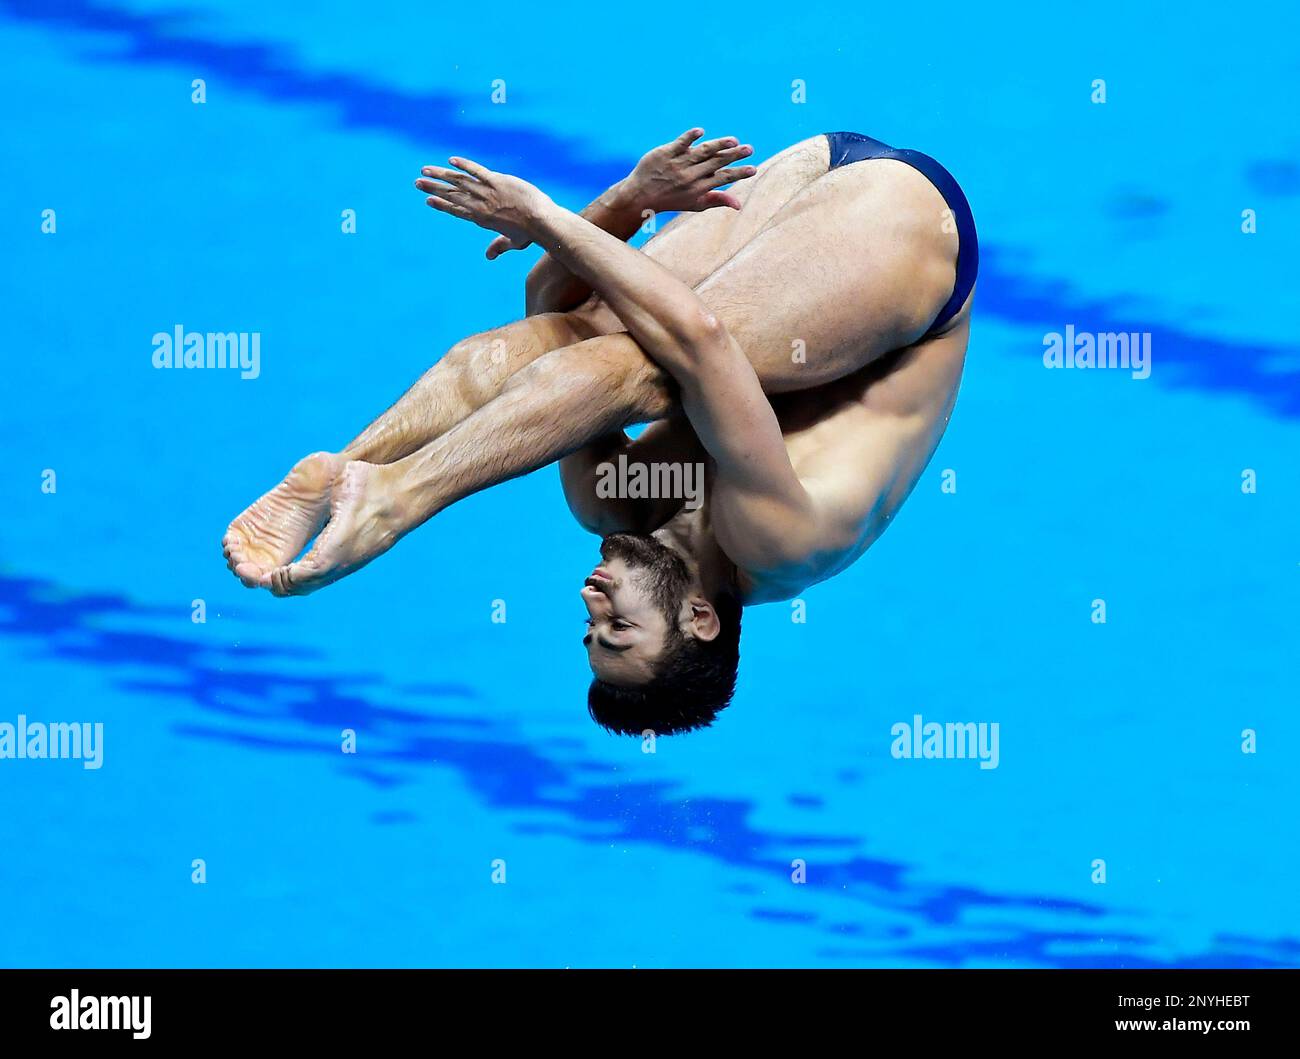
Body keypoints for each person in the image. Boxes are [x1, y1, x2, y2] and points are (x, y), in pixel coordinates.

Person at [223, 129, 978, 734]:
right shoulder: (781, 539)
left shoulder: (616, 503)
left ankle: (345, 469)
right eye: (618, 627)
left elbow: (549, 302)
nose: (590, 603)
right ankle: (392, 499)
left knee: (578, 334)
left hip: (813, 174)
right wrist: (541, 214)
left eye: (588, 631)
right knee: (649, 367)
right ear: (700, 617)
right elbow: (701, 342)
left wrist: (629, 198)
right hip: (906, 225)